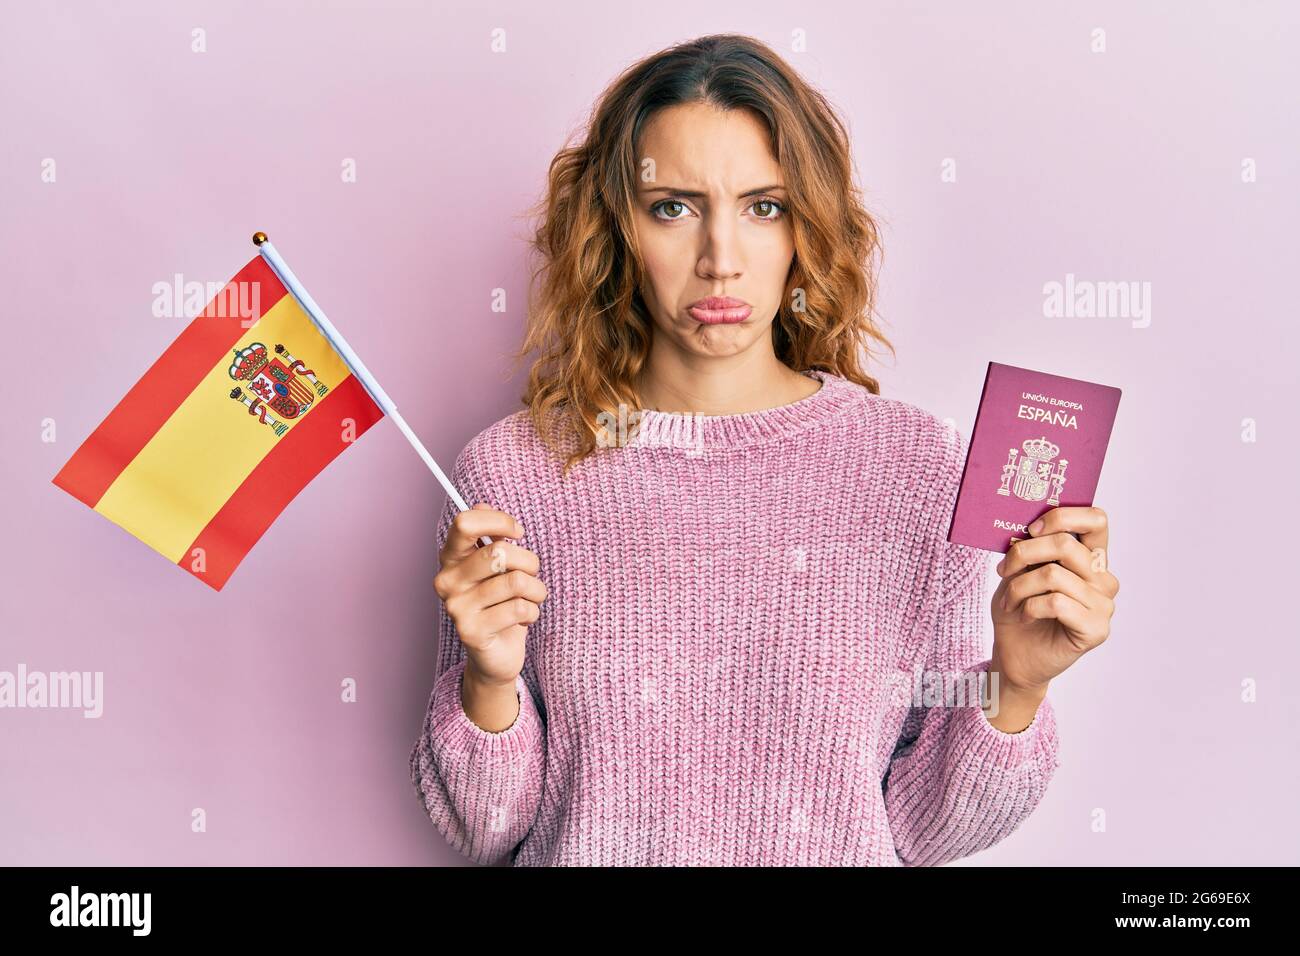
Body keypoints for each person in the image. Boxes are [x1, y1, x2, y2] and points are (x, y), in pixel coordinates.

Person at [408, 33, 1119, 866]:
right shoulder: (514, 472)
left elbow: (925, 833)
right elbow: (484, 830)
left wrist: (1019, 682)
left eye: (763, 206)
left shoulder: (918, 468)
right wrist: (489, 680)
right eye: (672, 206)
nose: (720, 260)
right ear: (615, 227)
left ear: (805, 230)